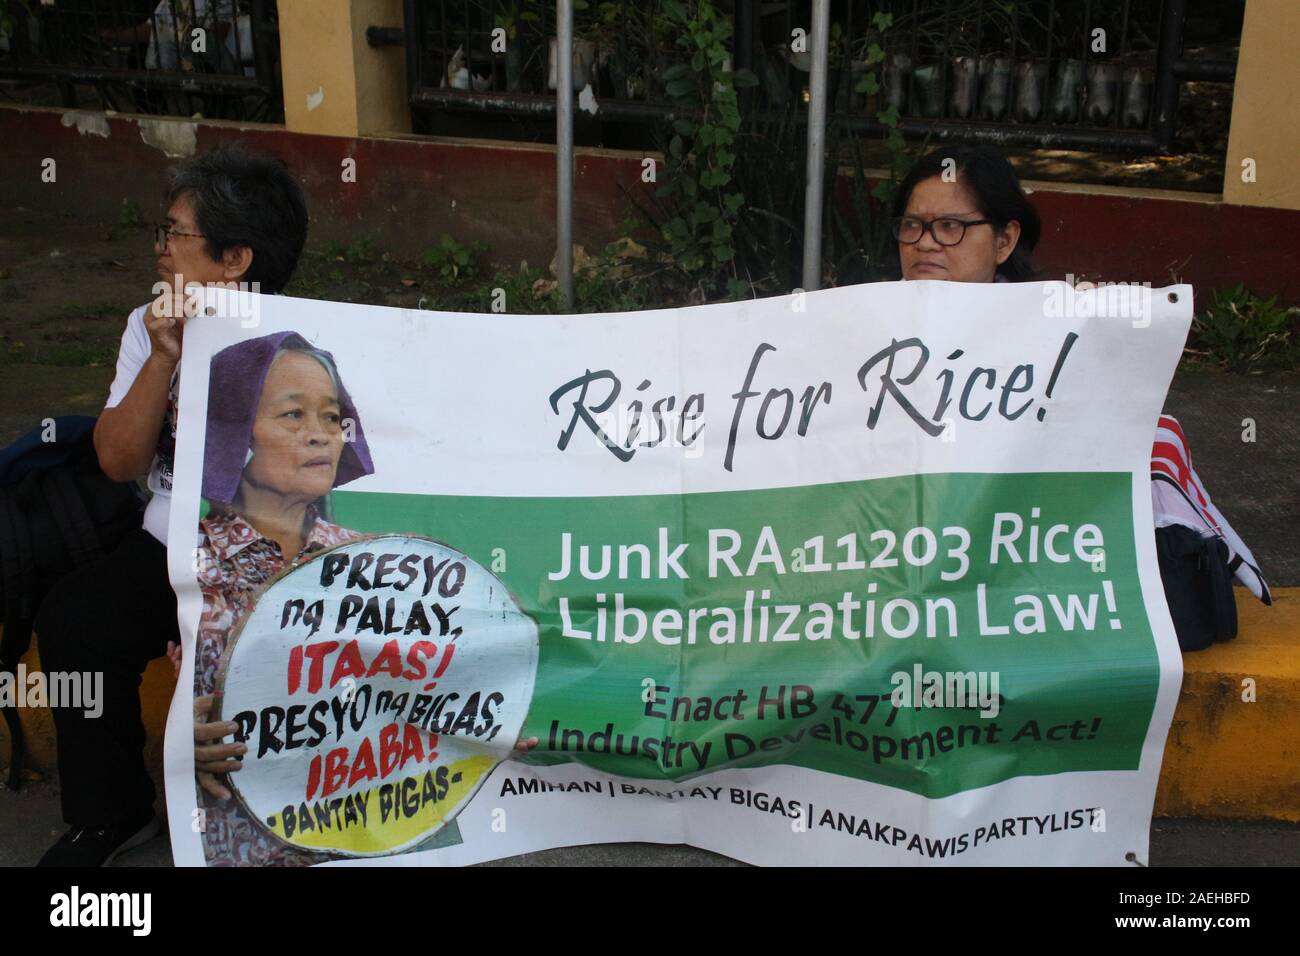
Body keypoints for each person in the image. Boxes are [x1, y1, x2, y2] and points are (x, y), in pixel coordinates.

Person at [34, 144, 308, 867]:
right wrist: (163, 358)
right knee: (78, 619)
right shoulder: (145, 325)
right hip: (169, 548)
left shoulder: (308, 347)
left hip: (274, 559)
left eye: (175, 235)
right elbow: (117, 460)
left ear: (235, 258)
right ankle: (109, 815)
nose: (160, 250)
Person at [890, 144, 1270, 611]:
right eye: (912, 225)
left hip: (1037, 585)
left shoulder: (1067, 334)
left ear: (1005, 240)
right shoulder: (861, 334)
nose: (925, 242)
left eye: (950, 226)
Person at [191, 331, 374, 866]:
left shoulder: (370, 561)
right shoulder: (185, 565)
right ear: (232, 436)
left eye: (332, 417)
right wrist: (175, 744)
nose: (321, 436)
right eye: (293, 416)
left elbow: (410, 685)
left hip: (360, 837)